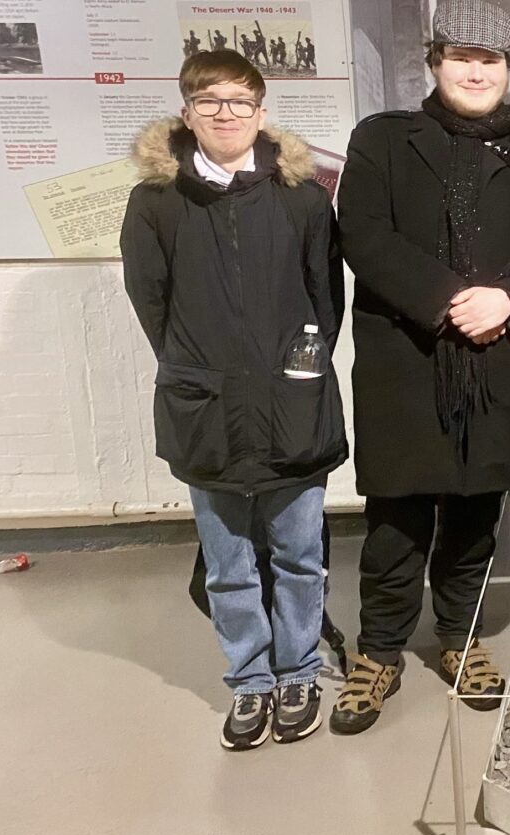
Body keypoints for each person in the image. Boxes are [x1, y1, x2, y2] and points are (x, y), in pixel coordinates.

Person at [333, 0, 510, 733]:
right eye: (461, 58)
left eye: (490, 60)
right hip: (410, 358)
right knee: (397, 518)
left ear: (508, 68)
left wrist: (509, 299)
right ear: (434, 62)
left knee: (477, 512)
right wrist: (449, 299)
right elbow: (364, 235)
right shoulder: (384, 139)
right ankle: (379, 651)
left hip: (501, 355)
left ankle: (459, 637)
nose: (476, 72)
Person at [120, 49, 347, 751]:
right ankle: (250, 680)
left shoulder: (302, 198)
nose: (226, 114)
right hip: (206, 409)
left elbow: (325, 300)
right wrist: (195, 366)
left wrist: (300, 371)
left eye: (240, 101)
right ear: (187, 112)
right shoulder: (156, 203)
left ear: (260, 111)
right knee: (227, 567)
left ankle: (298, 673)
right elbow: (151, 302)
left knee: (299, 555)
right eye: (210, 101)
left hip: (291, 405)